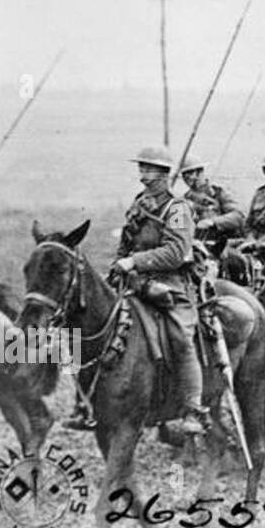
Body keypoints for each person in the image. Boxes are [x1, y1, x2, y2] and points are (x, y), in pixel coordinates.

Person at [68, 147, 205, 435]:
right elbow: (126, 242)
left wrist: (135, 261)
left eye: (148, 168)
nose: (142, 173)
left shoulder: (177, 209)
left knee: (181, 337)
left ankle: (192, 407)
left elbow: (177, 252)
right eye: (141, 167)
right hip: (133, 282)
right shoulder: (139, 203)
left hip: (170, 284)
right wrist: (120, 263)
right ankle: (85, 403)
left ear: (164, 173)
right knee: (91, 327)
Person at [179, 153, 244, 245]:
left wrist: (212, 222)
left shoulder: (218, 192)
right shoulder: (184, 200)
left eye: (190, 173)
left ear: (200, 172)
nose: (187, 177)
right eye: (184, 174)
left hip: (224, 244)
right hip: (198, 245)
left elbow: (238, 217)